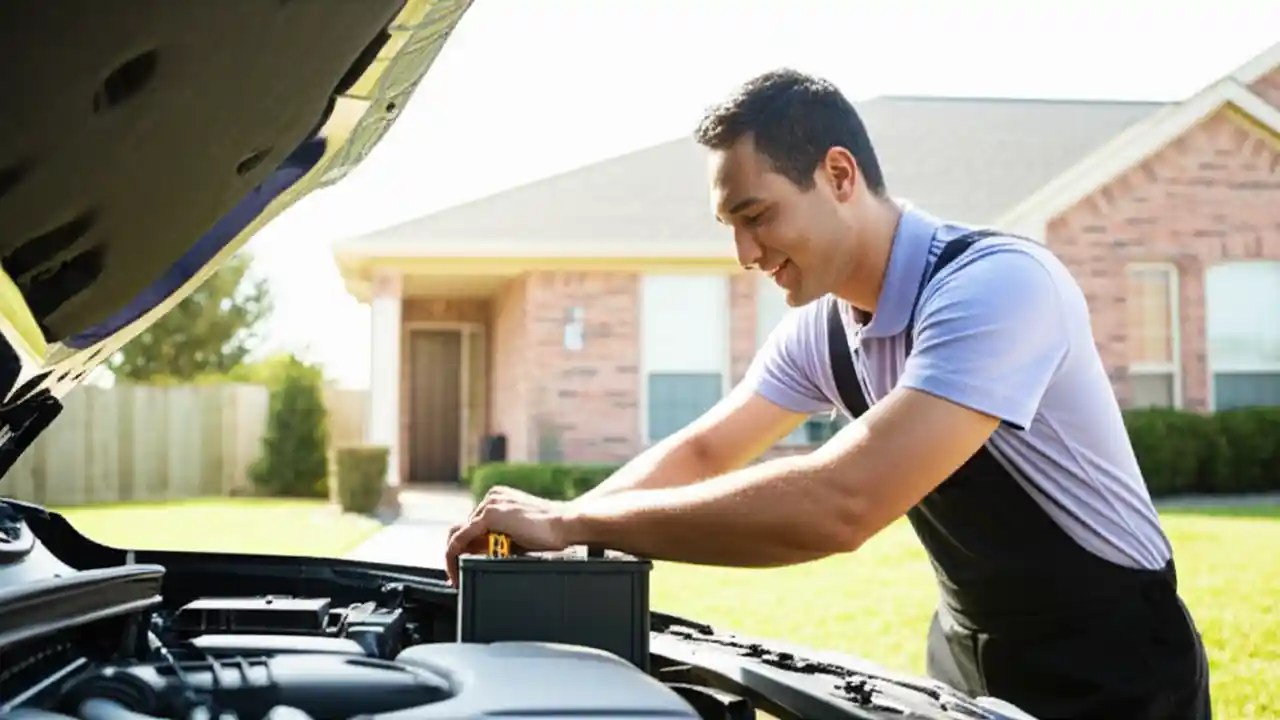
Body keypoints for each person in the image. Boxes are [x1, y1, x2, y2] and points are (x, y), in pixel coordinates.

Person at [444, 69, 1212, 719]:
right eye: (731, 225)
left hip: (1116, 664)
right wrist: (557, 543)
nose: (745, 254)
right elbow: (706, 449)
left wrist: (572, 517)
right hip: (966, 652)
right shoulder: (825, 331)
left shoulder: (999, 287)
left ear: (839, 176)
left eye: (757, 215)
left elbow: (842, 503)